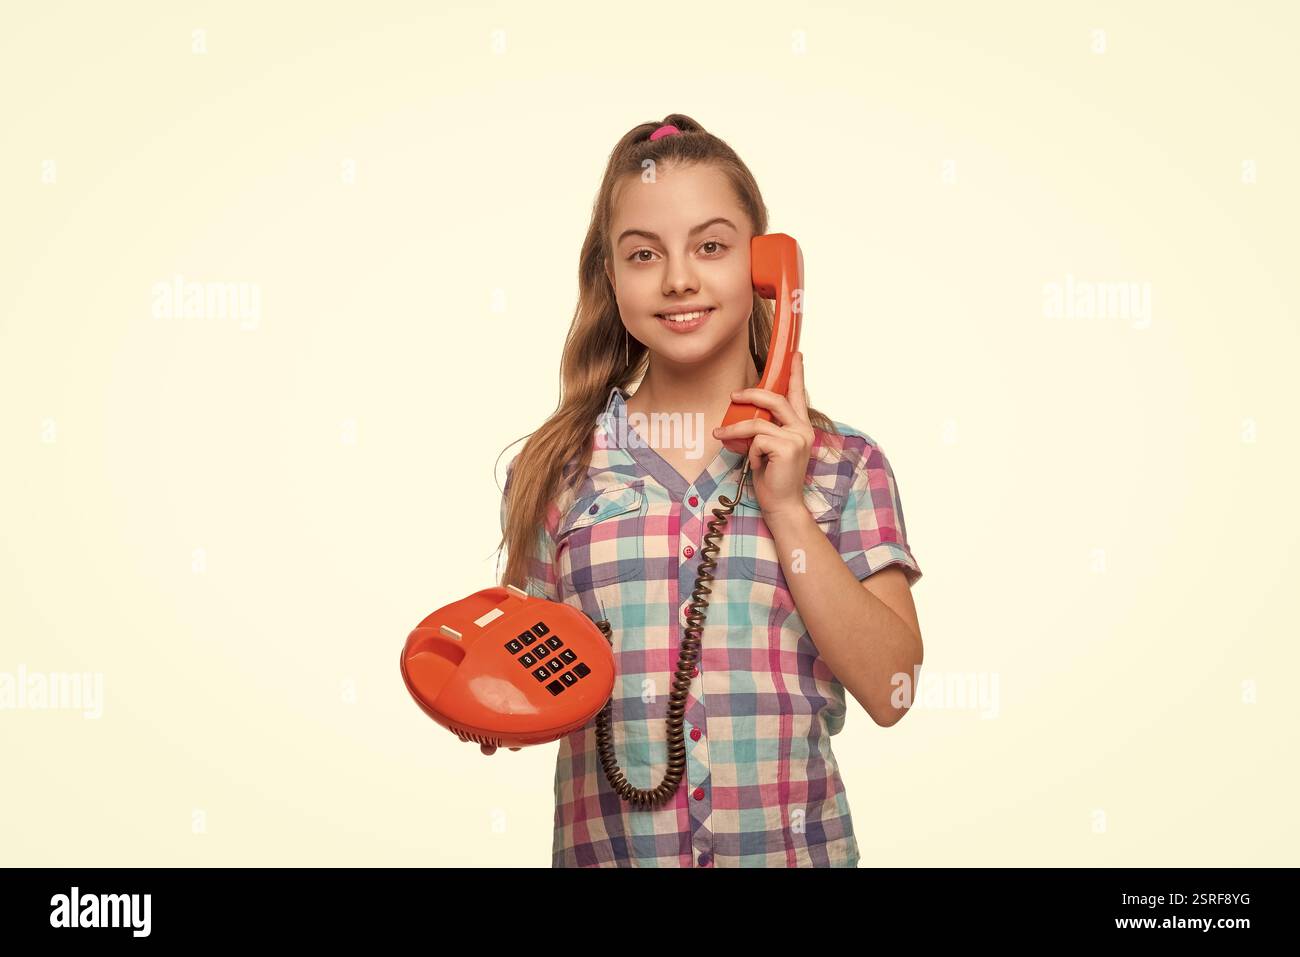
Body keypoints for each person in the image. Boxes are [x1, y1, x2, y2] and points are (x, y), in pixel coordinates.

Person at [492, 114, 924, 867]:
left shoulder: (845, 465)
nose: (679, 278)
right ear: (610, 275)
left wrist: (786, 506)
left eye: (711, 246)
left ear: (767, 268)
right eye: (644, 254)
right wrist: (487, 699)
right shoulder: (559, 468)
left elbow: (894, 690)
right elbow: (528, 674)